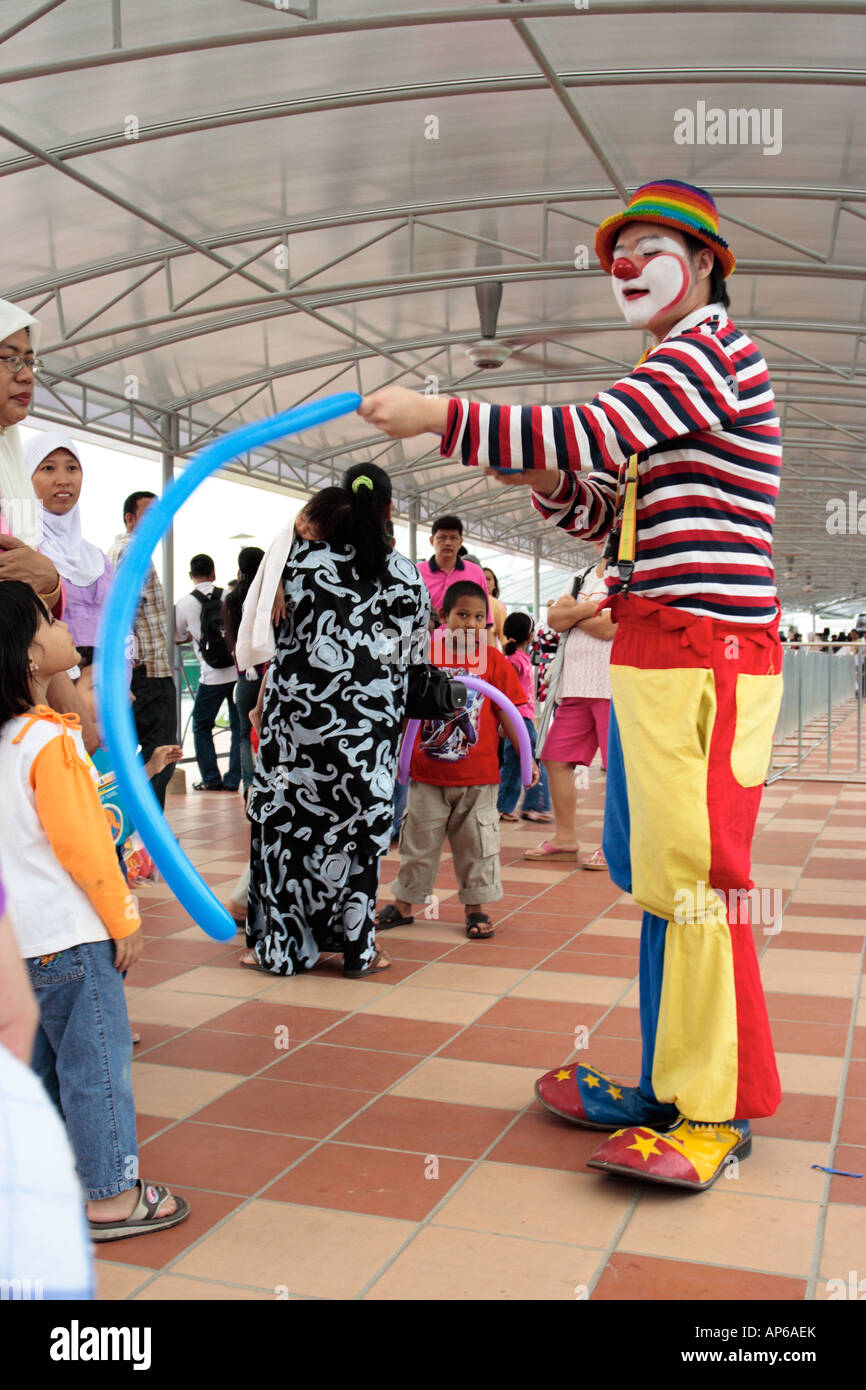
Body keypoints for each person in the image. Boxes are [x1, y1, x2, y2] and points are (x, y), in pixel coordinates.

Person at [358, 178, 785, 1192]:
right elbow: (613, 518)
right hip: (656, 649)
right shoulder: (671, 369)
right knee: (657, 881)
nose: (624, 267)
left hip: (705, 656)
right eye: (614, 256)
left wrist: (439, 417)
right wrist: (551, 487)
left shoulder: (708, 352)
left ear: (707, 259)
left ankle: (710, 1109)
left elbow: (592, 426)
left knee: (696, 889)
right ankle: (670, 1082)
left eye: (646, 247)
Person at [0, 580, 188, 1240]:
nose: (63, 629)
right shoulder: (49, 743)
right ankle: (110, 1196)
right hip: (73, 939)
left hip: (18, 944)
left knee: (41, 1072)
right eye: (50, 621)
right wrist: (123, 918)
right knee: (97, 1069)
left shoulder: (8, 741)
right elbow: (84, 846)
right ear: (26, 655)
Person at [240, 466, 430, 977]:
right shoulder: (407, 575)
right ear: (388, 510)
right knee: (357, 836)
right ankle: (357, 950)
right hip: (369, 735)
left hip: (294, 729)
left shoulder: (291, 564)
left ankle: (281, 950)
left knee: (288, 832)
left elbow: (260, 638)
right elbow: (414, 659)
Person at [377, 580, 538, 941]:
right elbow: (406, 712)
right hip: (426, 774)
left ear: (487, 623)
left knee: (478, 845)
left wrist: (528, 758)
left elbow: (512, 713)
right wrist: (392, 755)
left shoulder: (494, 661)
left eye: (479, 617)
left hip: (479, 779)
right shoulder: (427, 656)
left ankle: (475, 906)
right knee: (418, 842)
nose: (470, 623)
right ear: (442, 617)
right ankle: (404, 903)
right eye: (462, 614)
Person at [0, 299, 99, 752]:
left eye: (30, 360)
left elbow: (26, 593)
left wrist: (52, 584)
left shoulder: (9, 467)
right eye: (8, 359)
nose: (26, 375)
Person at [525, 542, 614, 868]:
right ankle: (565, 837)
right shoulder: (581, 578)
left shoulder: (635, 576)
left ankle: (617, 844)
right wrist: (589, 611)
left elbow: (610, 628)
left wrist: (572, 614)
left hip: (614, 688)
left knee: (619, 769)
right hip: (573, 687)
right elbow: (553, 618)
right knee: (555, 758)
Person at [25, 431, 115, 710]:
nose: (63, 479)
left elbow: (120, 629)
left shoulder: (98, 559)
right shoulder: (21, 548)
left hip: (102, 697)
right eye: (48, 468)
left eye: (72, 468)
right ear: (25, 477)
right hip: (45, 693)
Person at [107, 492, 178, 809]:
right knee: (159, 756)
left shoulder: (123, 550)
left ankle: (136, 833)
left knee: (147, 756)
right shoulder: (133, 552)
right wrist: (128, 668)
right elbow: (118, 612)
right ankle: (146, 838)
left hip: (140, 675)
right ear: (130, 520)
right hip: (147, 675)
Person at [175, 553, 240, 793]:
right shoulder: (227, 596)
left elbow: (178, 636)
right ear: (213, 574)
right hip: (236, 673)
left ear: (191, 576)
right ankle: (233, 779)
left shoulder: (184, 603)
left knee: (202, 726)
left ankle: (211, 779)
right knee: (238, 728)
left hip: (210, 675)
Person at [497, 611, 552, 824]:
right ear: (529, 636)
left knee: (512, 765)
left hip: (518, 718)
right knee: (536, 758)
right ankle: (534, 806)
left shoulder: (520, 658)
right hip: (521, 720)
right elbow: (504, 685)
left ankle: (503, 807)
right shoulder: (515, 660)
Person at [223, 546, 266, 795]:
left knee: (242, 732)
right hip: (267, 673)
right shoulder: (266, 595)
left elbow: (231, 637)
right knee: (269, 729)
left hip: (244, 674)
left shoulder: (231, 599)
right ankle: (267, 782)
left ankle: (249, 785)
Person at [417, 516, 491, 623]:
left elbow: (486, 619)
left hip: (466, 638)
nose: (448, 543)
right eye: (442, 537)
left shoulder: (476, 572)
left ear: (460, 542)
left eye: (453, 538)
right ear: (432, 540)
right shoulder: (416, 572)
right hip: (427, 638)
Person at [483, 567, 508, 650]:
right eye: (482, 578)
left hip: (490, 653)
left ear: (495, 585)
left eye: (489, 579)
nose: (485, 582)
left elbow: (504, 638)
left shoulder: (499, 606)